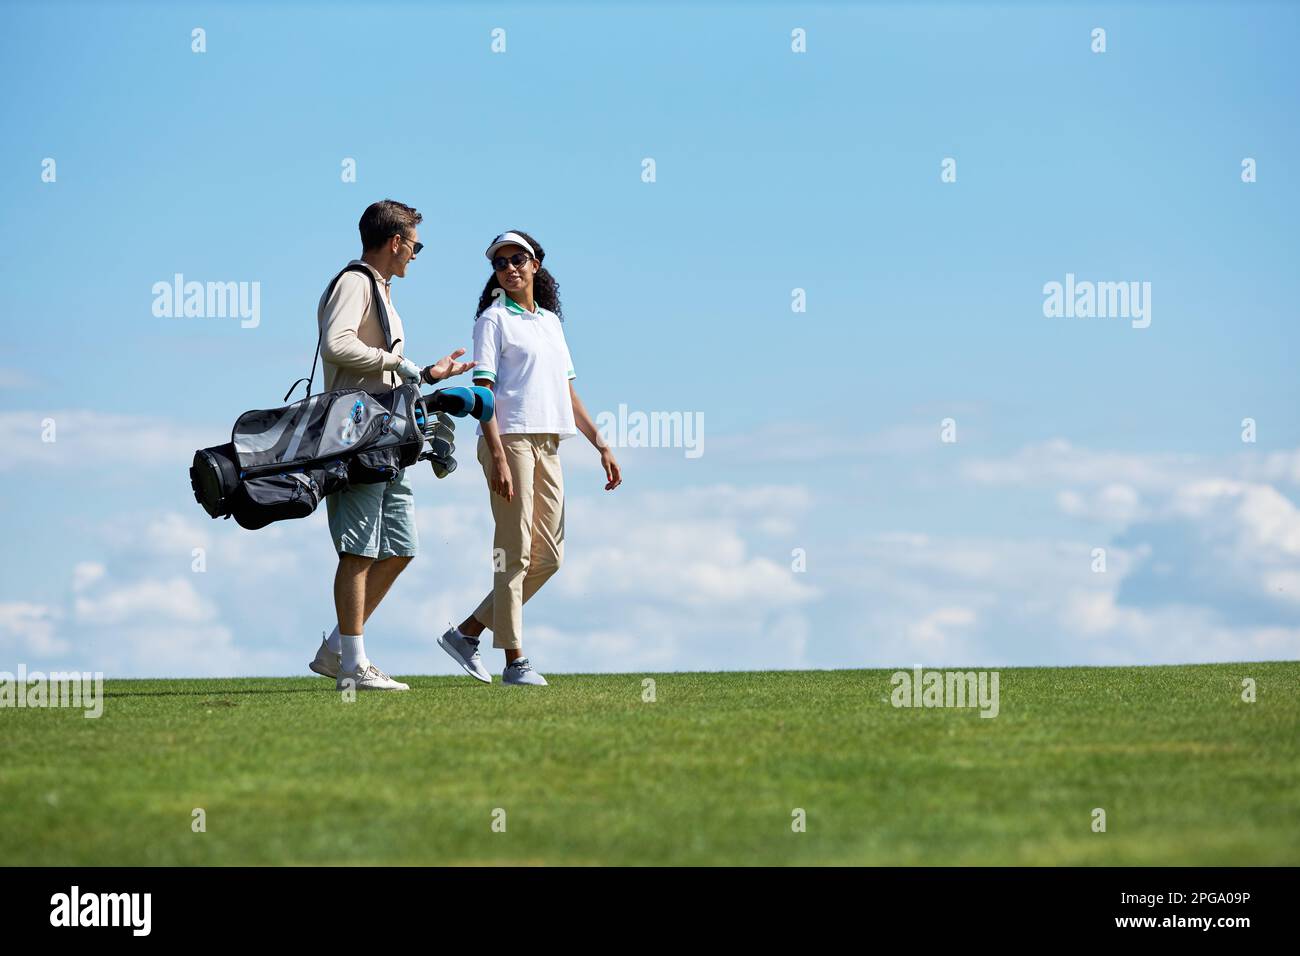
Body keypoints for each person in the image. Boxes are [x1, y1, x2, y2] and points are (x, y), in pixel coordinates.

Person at [438, 230, 621, 686]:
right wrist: (497, 453)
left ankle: (468, 632)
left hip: (549, 442)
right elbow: (482, 392)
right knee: (514, 551)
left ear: (536, 264)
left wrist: (599, 440)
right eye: (501, 263)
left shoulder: (552, 324)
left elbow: (567, 389)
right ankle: (515, 662)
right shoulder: (492, 320)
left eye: (518, 259)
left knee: (549, 557)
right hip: (510, 442)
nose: (510, 268)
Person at [308, 200, 475, 691]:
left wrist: (424, 374)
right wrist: (400, 366)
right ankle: (353, 667)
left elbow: (379, 367)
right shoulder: (355, 282)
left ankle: (338, 649)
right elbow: (336, 344)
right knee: (357, 549)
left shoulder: (380, 291)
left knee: (400, 547)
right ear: (396, 242)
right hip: (352, 433)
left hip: (385, 436)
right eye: (415, 245)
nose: (416, 255)